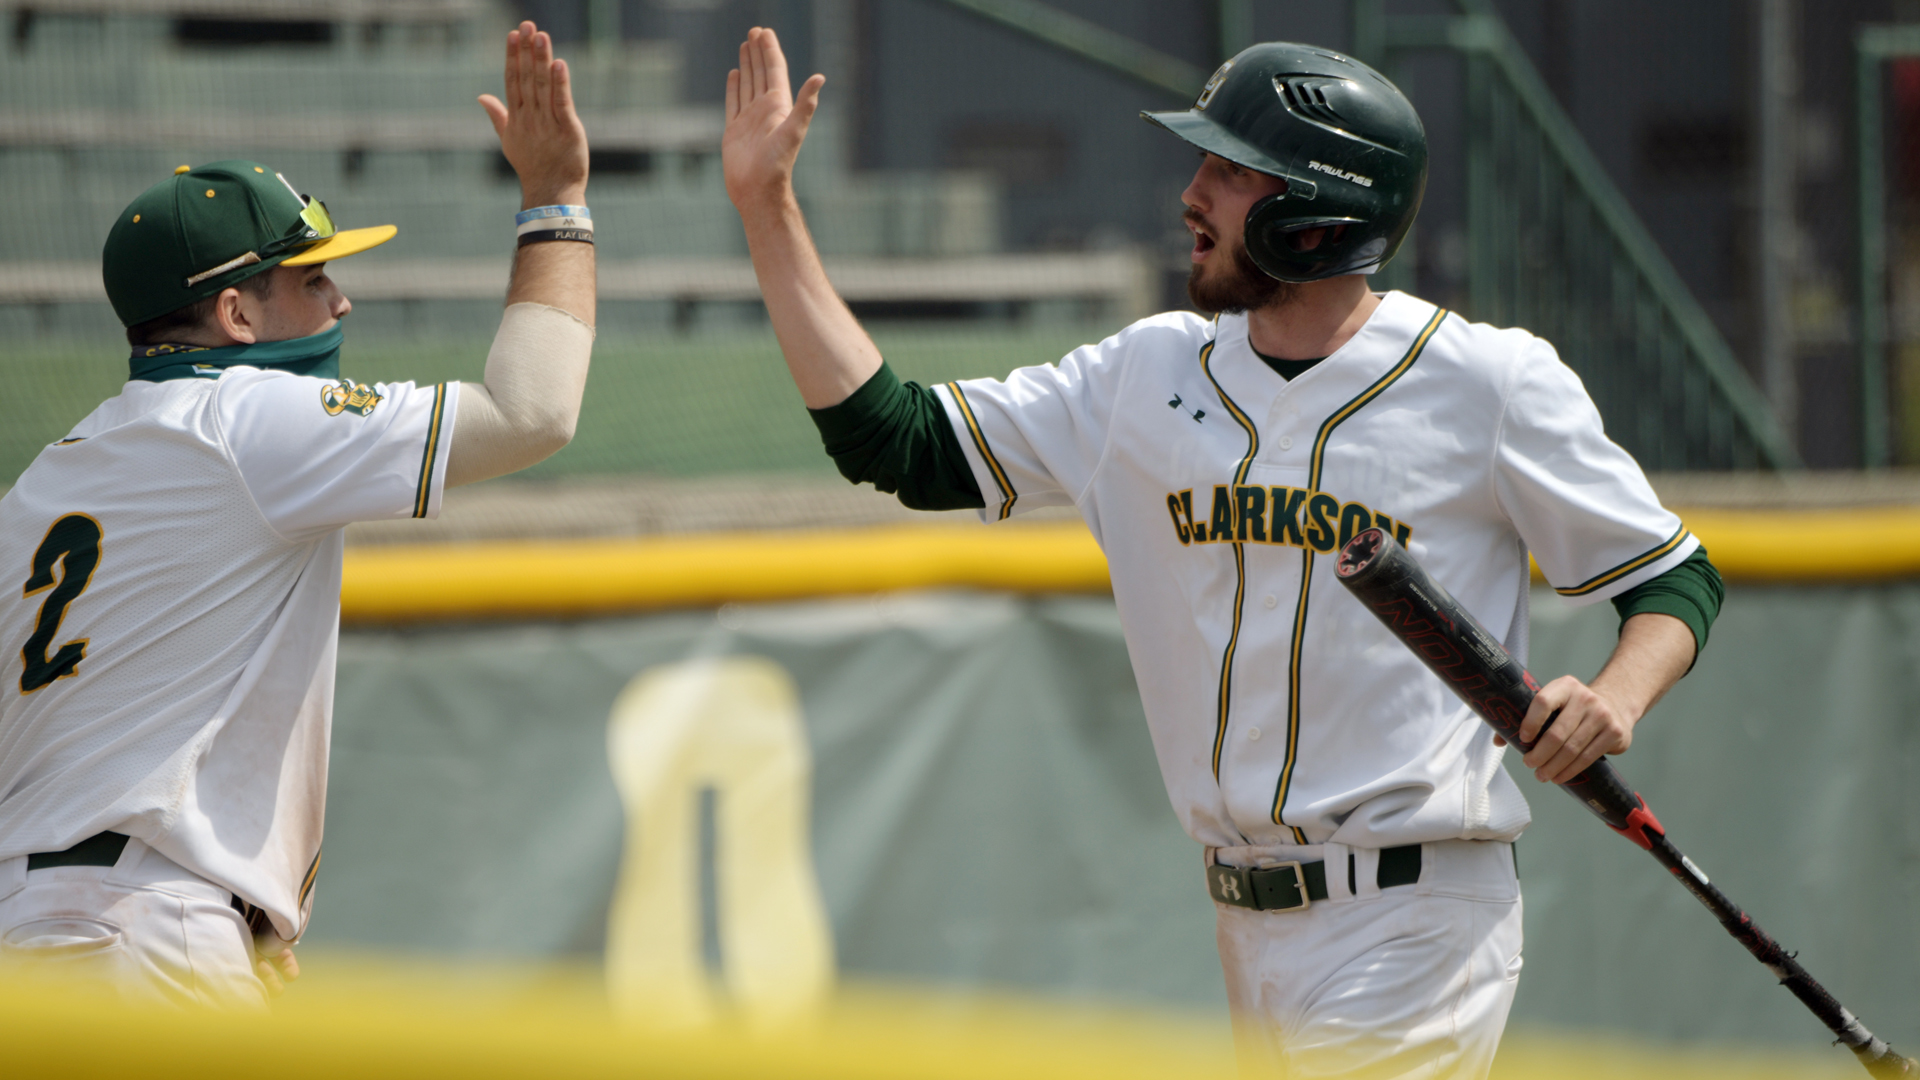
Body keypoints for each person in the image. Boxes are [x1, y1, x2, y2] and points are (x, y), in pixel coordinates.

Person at [722, 30, 1723, 1079]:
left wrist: (1618, 693)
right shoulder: (1142, 372)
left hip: (1415, 919)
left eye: (1232, 171)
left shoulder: (1488, 382)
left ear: (1316, 211)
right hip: (1245, 922)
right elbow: (902, 444)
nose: (1192, 193)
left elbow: (1675, 576)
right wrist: (767, 210)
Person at [0, 21, 595, 1008]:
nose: (341, 302)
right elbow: (534, 412)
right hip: (144, 934)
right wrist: (557, 203)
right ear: (236, 315)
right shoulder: (243, 419)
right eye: (311, 278)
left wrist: (243, 898)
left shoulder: (48, 481)